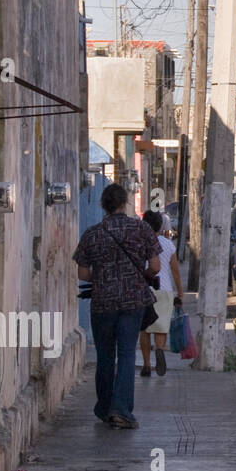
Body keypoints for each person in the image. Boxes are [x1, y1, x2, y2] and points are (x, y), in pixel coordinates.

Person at [72, 184, 159, 429]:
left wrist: (102, 277)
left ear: (103, 205)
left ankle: (104, 407)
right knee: (128, 354)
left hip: (102, 302)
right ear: (125, 203)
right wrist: (137, 274)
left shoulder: (92, 233)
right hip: (133, 302)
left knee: (105, 356)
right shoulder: (141, 229)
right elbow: (155, 267)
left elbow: (82, 272)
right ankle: (121, 410)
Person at [139, 211, 182, 378]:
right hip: (164, 289)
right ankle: (159, 349)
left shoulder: (139, 243)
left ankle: (146, 364)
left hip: (144, 290)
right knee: (161, 327)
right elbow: (175, 271)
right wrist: (179, 292)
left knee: (144, 329)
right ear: (160, 226)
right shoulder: (169, 244)